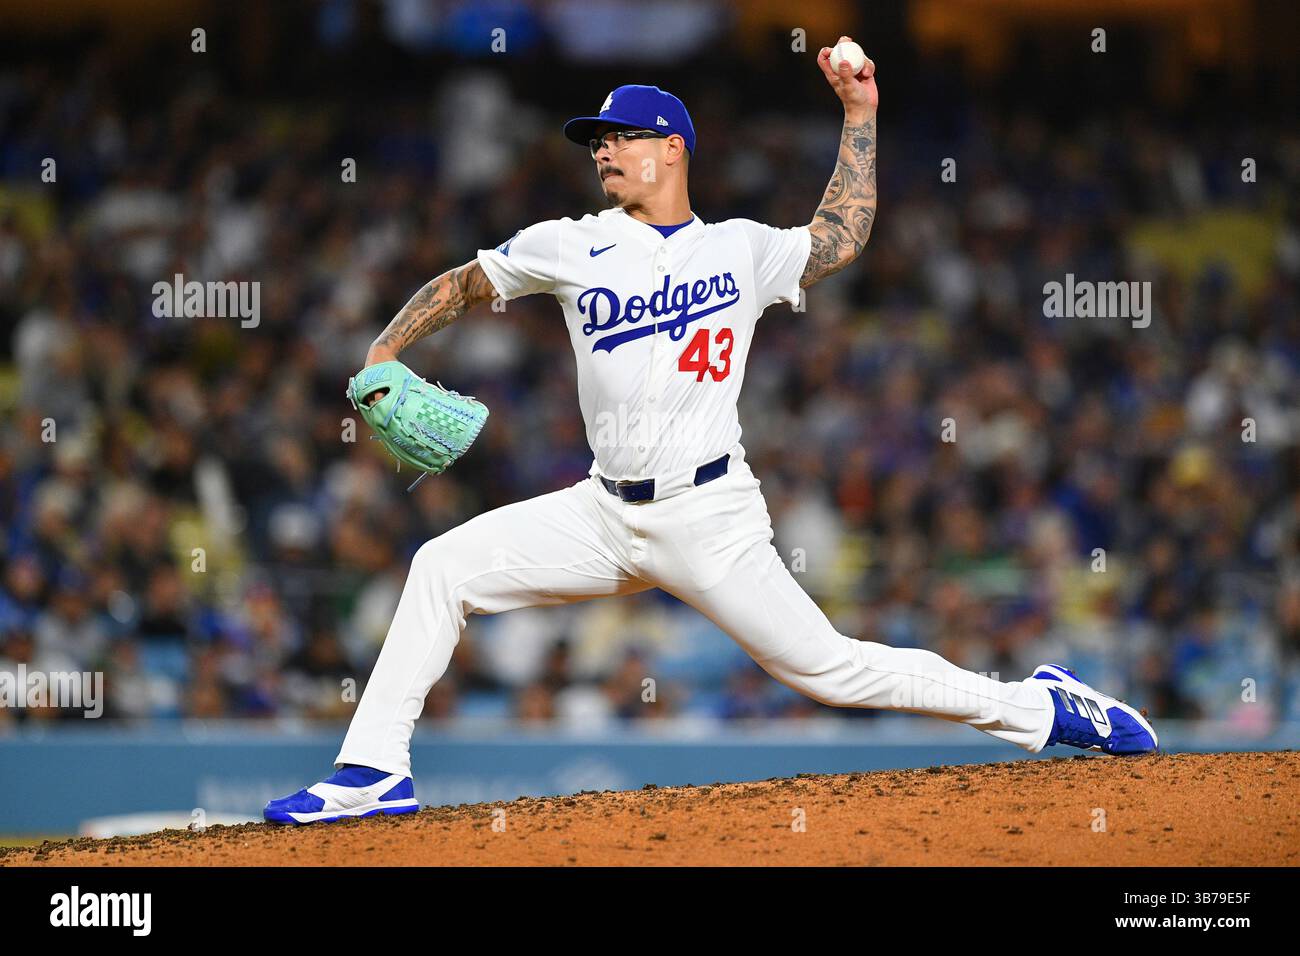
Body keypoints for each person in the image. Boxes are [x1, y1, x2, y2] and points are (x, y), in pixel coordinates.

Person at [265, 39, 1156, 826]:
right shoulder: (570, 242)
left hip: (709, 515)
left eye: (619, 137)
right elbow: (465, 282)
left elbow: (841, 235)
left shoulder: (739, 248)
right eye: (596, 141)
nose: (603, 151)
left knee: (829, 670)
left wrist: (859, 114)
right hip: (601, 513)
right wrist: (385, 348)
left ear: (672, 148)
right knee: (440, 566)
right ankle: (372, 771)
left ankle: (1038, 710)